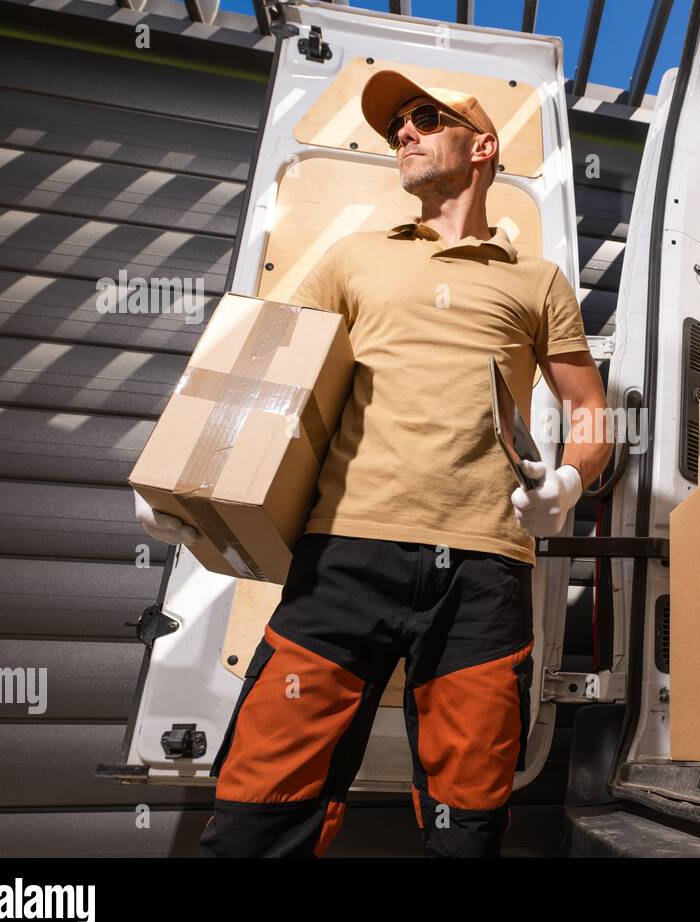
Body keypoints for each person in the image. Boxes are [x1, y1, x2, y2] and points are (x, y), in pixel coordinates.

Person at [134, 69, 611, 857]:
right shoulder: (353, 260)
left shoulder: (539, 282)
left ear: (482, 146)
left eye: (425, 117)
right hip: (343, 560)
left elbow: (592, 412)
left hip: (484, 577)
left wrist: (567, 482)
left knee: (472, 826)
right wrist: (188, 478)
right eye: (398, 126)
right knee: (259, 810)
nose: (404, 133)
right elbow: (262, 368)